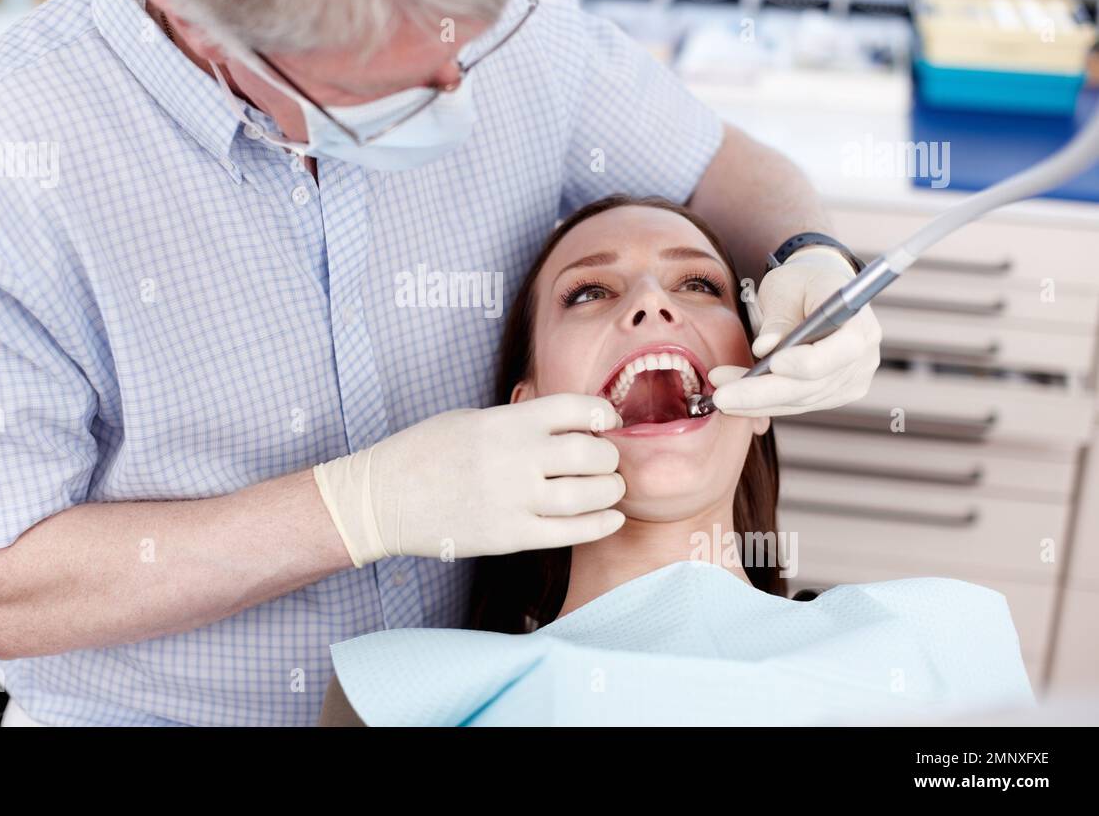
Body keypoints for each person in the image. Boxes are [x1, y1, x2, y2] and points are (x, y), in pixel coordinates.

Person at [0, 0, 881, 725]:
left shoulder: (515, 41)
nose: (461, 87)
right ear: (198, 16)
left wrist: (809, 254)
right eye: (395, 85)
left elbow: (732, 177)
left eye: (469, 44)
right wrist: (356, 507)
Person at [317, 195, 1033, 727]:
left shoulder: (940, 630)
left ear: (765, 393)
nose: (653, 303)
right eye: (589, 292)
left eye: (699, 286)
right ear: (522, 413)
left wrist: (815, 248)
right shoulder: (398, 690)